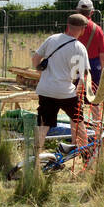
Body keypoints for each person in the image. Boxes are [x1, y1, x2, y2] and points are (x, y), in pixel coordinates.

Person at [29, 14, 91, 159]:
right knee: (79, 123)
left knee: (43, 125)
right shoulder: (79, 48)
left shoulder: (52, 39)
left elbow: (35, 59)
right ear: (82, 30)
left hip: (45, 89)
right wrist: (78, 91)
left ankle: (34, 159)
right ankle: (87, 158)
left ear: (67, 26)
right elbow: (84, 76)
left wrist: (43, 73)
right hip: (65, 92)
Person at [75, 0, 104, 89]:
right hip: (94, 65)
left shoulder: (71, 28)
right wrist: (103, 72)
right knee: (92, 96)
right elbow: (102, 55)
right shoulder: (97, 29)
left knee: (75, 96)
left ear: (77, 11)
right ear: (92, 12)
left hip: (76, 63)